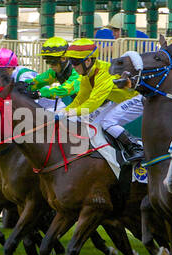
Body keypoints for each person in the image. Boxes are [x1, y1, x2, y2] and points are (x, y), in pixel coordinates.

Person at [62, 37, 145, 166]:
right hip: (120, 100)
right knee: (94, 124)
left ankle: (137, 148)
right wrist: (63, 111)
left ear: (88, 61)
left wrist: (68, 113)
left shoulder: (104, 73)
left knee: (108, 122)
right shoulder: (87, 75)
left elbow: (92, 103)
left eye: (75, 62)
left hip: (137, 98)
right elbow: (80, 100)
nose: (73, 66)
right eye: (71, 62)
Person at [32, 37, 81, 106]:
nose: (50, 66)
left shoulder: (77, 69)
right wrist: (26, 85)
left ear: (63, 58)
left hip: (94, 106)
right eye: (48, 62)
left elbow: (67, 89)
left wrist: (41, 93)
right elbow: (40, 80)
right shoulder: (56, 69)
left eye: (53, 62)